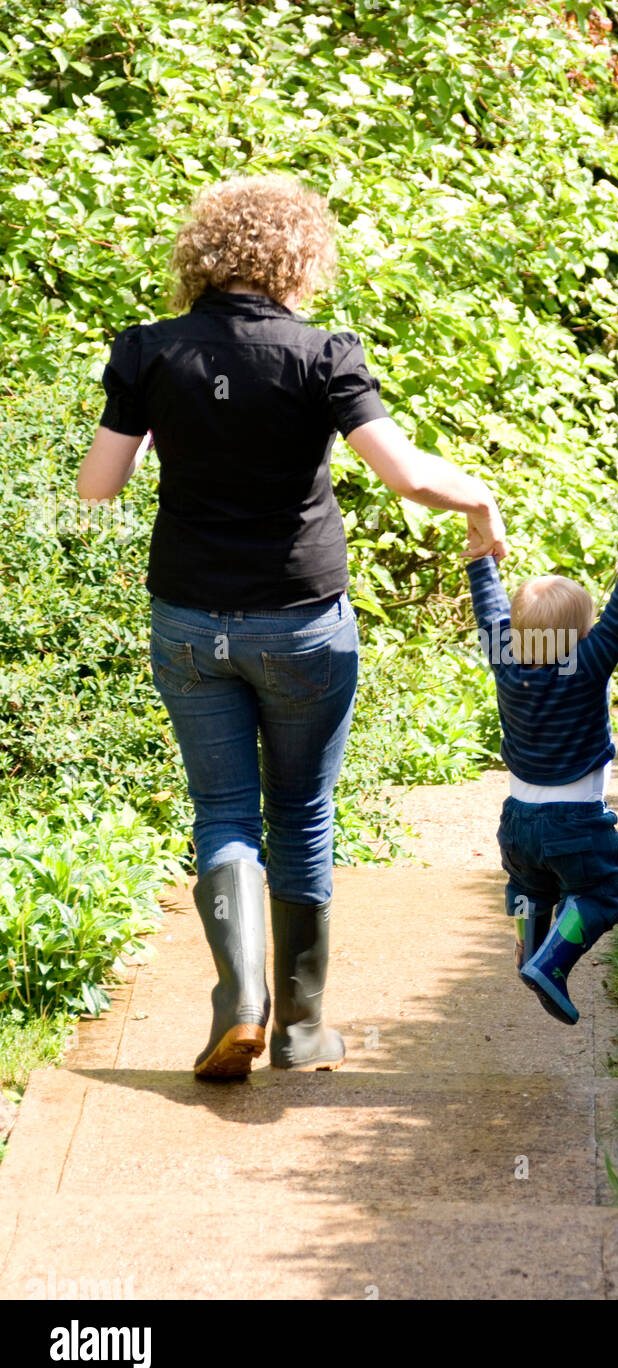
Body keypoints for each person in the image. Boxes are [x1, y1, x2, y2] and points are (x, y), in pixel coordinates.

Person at [77, 174, 506, 1078]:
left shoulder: (147, 352)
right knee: (301, 813)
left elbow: (97, 485)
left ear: (202, 254)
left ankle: (240, 1001)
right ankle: (303, 1028)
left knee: (222, 811)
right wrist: (479, 501)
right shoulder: (324, 354)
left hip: (192, 621)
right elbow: (404, 475)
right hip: (303, 621)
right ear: (300, 257)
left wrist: (161, 425)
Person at [466, 542, 618, 1024]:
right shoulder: (588, 666)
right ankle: (550, 964)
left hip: (518, 822)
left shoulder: (505, 661)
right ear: (583, 634)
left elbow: (488, 610)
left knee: (530, 886)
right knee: (601, 895)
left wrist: (480, 557)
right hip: (576, 823)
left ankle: (529, 945)